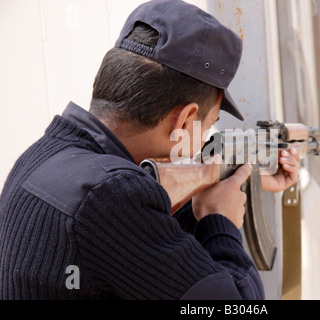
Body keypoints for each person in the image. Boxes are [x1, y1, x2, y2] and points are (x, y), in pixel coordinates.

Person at [0, 0, 300, 300]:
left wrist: (223, 181)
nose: (202, 144)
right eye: (208, 127)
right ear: (184, 119)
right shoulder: (113, 196)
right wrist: (219, 219)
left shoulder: (41, 156)